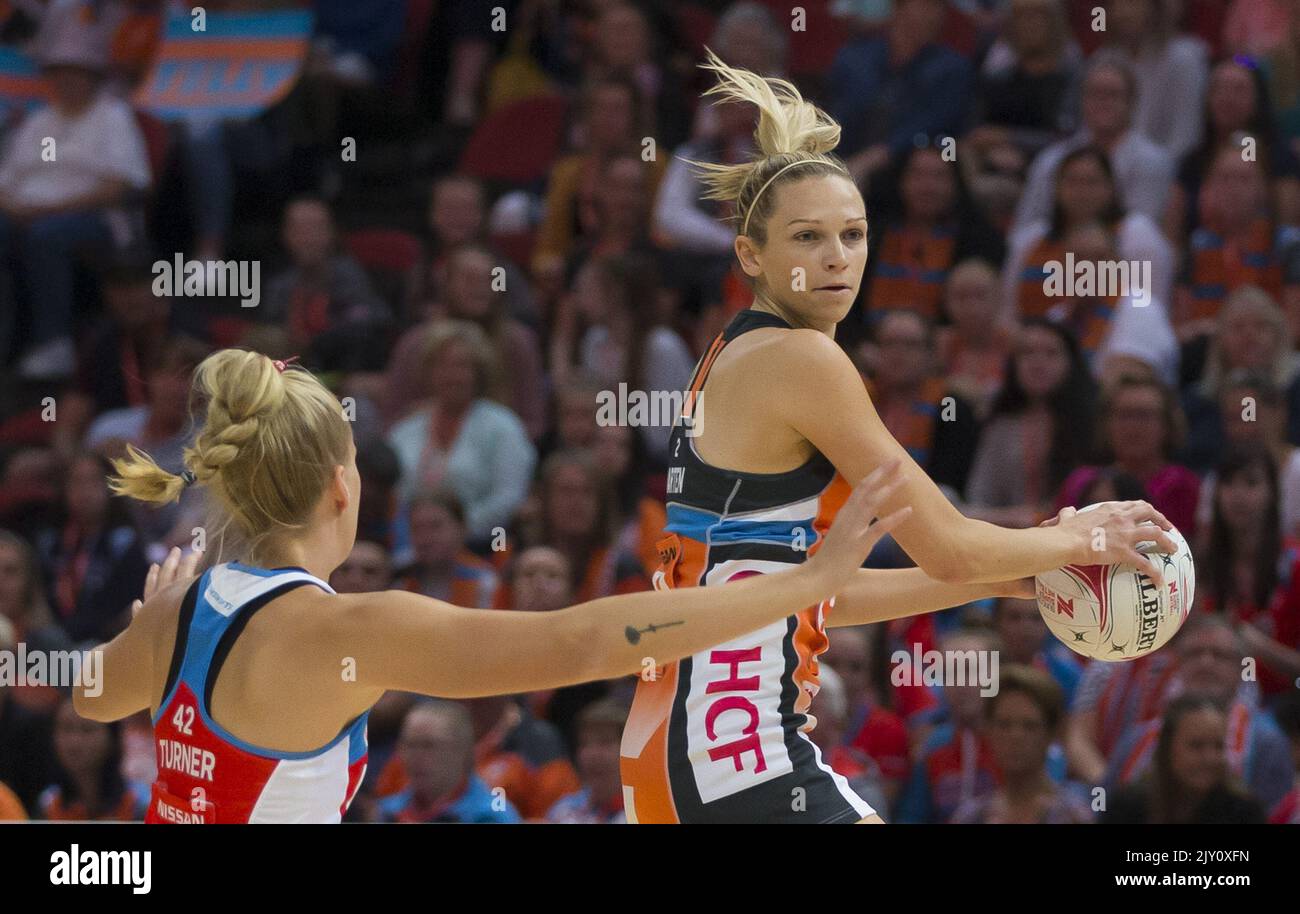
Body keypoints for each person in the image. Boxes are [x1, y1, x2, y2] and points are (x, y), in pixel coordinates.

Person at [616, 48, 1176, 826]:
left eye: (853, 233)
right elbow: (945, 545)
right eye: (808, 238)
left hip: (692, 747)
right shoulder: (800, 357)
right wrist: (1076, 537)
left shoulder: (743, 353)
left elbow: (813, 599)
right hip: (731, 756)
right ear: (752, 255)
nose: (838, 257)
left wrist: (1004, 579)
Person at [73, 347, 915, 824]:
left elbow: (92, 698)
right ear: (341, 486)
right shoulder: (349, 629)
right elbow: (583, 640)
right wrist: (813, 576)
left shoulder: (185, 606)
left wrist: (145, 624)